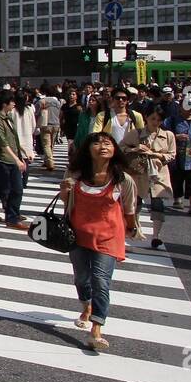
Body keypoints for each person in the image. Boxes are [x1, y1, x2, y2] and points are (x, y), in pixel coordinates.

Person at [60, 132, 139, 351]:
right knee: (82, 278)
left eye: (107, 142)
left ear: (114, 149)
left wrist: (131, 227)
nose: (102, 146)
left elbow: (130, 208)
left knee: (101, 281)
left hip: (109, 236)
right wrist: (64, 192)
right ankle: (87, 305)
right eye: (97, 142)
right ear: (87, 149)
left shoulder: (123, 179)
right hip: (77, 234)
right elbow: (66, 206)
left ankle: (96, 328)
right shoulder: (75, 174)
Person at [125, 109, 176, 250]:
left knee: (158, 203)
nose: (155, 122)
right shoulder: (136, 133)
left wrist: (155, 154)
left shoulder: (168, 135)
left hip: (158, 173)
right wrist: (135, 149)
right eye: (153, 118)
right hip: (139, 172)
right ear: (146, 117)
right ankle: (134, 229)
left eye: (159, 120)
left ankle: (156, 236)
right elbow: (121, 147)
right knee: (136, 202)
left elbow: (172, 154)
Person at [0, 90, 31, 231]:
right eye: (11, 101)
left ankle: (12, 217)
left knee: (17, 189)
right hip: (1, 160)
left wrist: (24, 152)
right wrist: (17, 160)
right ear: (4, 104)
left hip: (12, 159)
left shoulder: (8, 118)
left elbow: (13, 140)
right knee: (3, 190)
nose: (14, 104)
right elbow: (3, 143)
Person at [38, 87, 63, 171]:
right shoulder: (57, 102)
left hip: (46, 124)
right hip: (56, 124)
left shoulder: (43, 101)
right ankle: (46, 160)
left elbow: (36, 111)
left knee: (46, 145)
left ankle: (50, 162)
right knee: (51, 144)